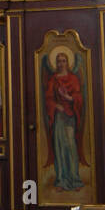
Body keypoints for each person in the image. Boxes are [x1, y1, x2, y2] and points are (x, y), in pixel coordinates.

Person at [42, 51, 86, 191]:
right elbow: (48, 99)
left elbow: (78, 97)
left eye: (63, 61)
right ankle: (61, 180)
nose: (61, 64)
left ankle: (74, 179)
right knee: (59, 146)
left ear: (68, 62)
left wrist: (68, 98)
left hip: (70, 115)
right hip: (58, 117)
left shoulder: (73, 79)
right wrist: (55, 106)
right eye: (59, 61)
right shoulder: (53, 80)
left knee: (70, 147)